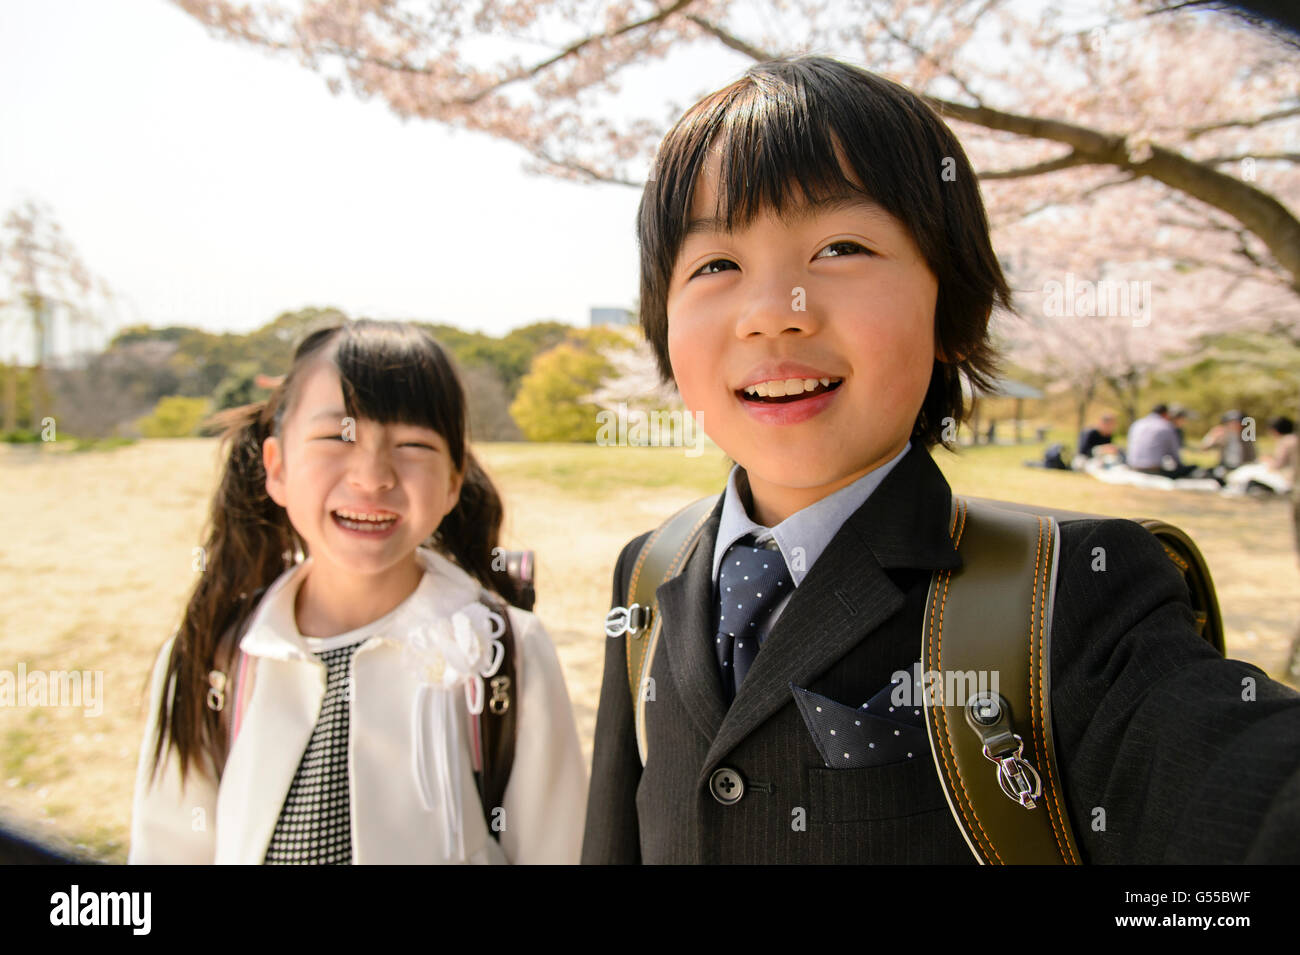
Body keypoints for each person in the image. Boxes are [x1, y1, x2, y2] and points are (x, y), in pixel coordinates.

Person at [581, 55, 1300, 864]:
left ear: (955, 315)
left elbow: (1238, 780)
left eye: (841, 246)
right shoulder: (647, 574)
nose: (771, 316)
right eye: (715, 264)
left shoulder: (1069, 594)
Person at [129, 320, 586, 864]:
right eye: (335, 437)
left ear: (453, 480)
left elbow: (557, 852)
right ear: (276, 468)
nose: (372, 477)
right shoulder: (213, 657)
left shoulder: (506, 652)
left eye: (413, 444)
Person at [1223, 416, 1297, 496]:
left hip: (1289, 480)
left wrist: (1267, 460)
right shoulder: (1294, 438)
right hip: (1292, 479)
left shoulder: (1285, 442)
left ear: (1274, 431)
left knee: (1248, 470)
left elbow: (1278, 465)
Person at [1126, 403, 1198, 478]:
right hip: (1153, 470)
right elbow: (1175, 457)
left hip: (1133, 467)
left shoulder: (1137, 423)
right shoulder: (1166, 426)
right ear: (1166, 414)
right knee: (1193, 468)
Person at [1200, 409, 1259, 485]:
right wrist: (1212, 436)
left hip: (1242, 467)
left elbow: (1253, 456)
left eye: (1237, 423)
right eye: (1231, 423)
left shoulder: (1247, 438)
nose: (1234, 426)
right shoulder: (1223, 436)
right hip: (1225, 467)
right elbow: (1204, 448)